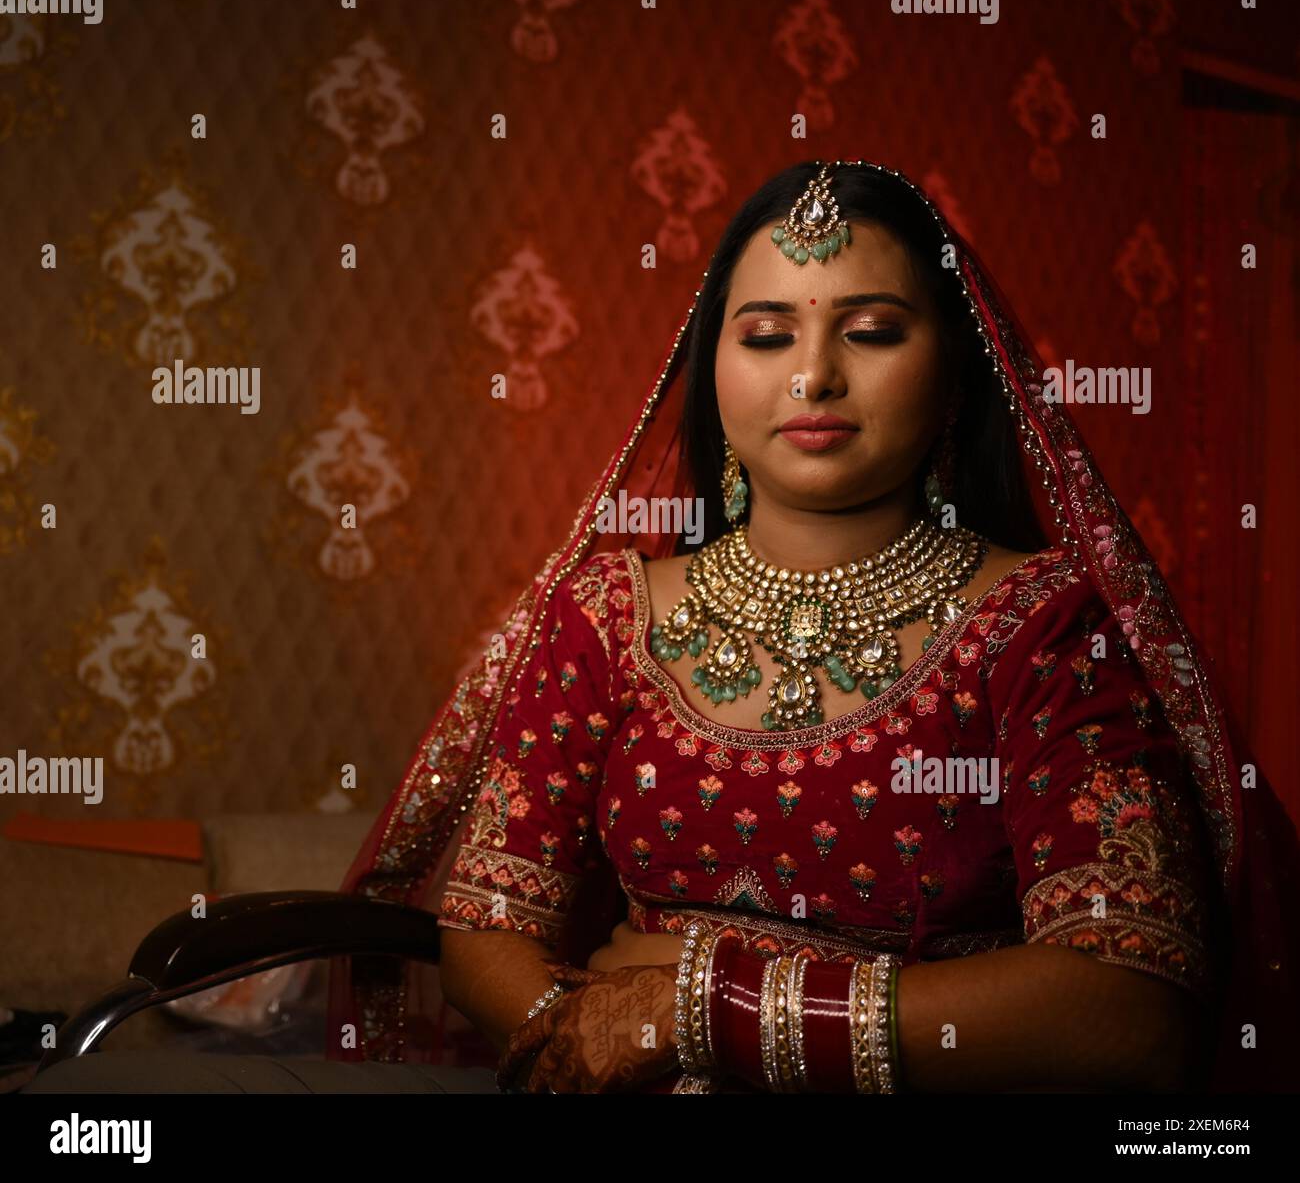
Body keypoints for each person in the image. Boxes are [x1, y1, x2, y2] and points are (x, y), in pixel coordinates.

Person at [321, 159, 1300, 1096]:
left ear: (957, 370)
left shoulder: (1040, 628)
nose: (813, 375)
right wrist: (596, 1047)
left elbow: (1127, 1007)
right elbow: (483, 934)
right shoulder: (605, 616)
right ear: (712, 368)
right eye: (764, 334)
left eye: (871, 331)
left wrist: (700, 1013)